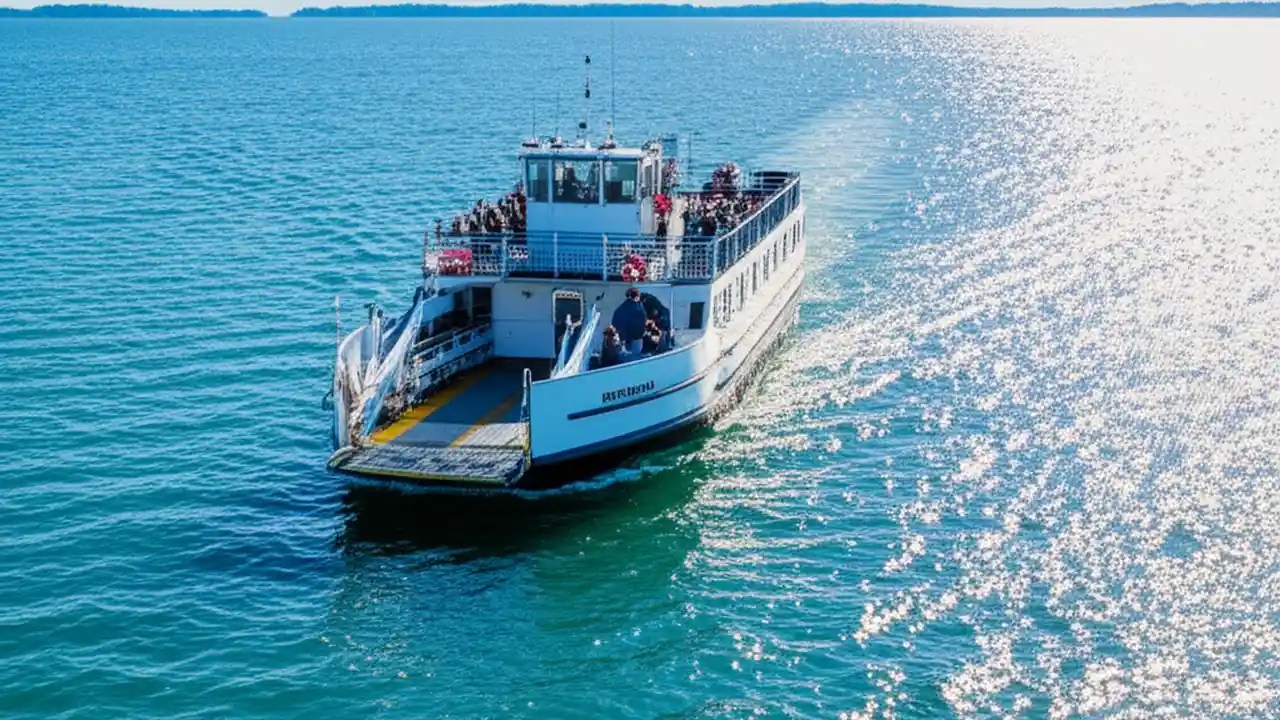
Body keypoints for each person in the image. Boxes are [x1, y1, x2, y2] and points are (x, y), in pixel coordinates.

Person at [611, 287, 647, 356]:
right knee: (634, 358)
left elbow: (617, 325)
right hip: (635, 337)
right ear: (637, 296)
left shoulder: (622, 308)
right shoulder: (638, 307)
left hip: (628, 338)